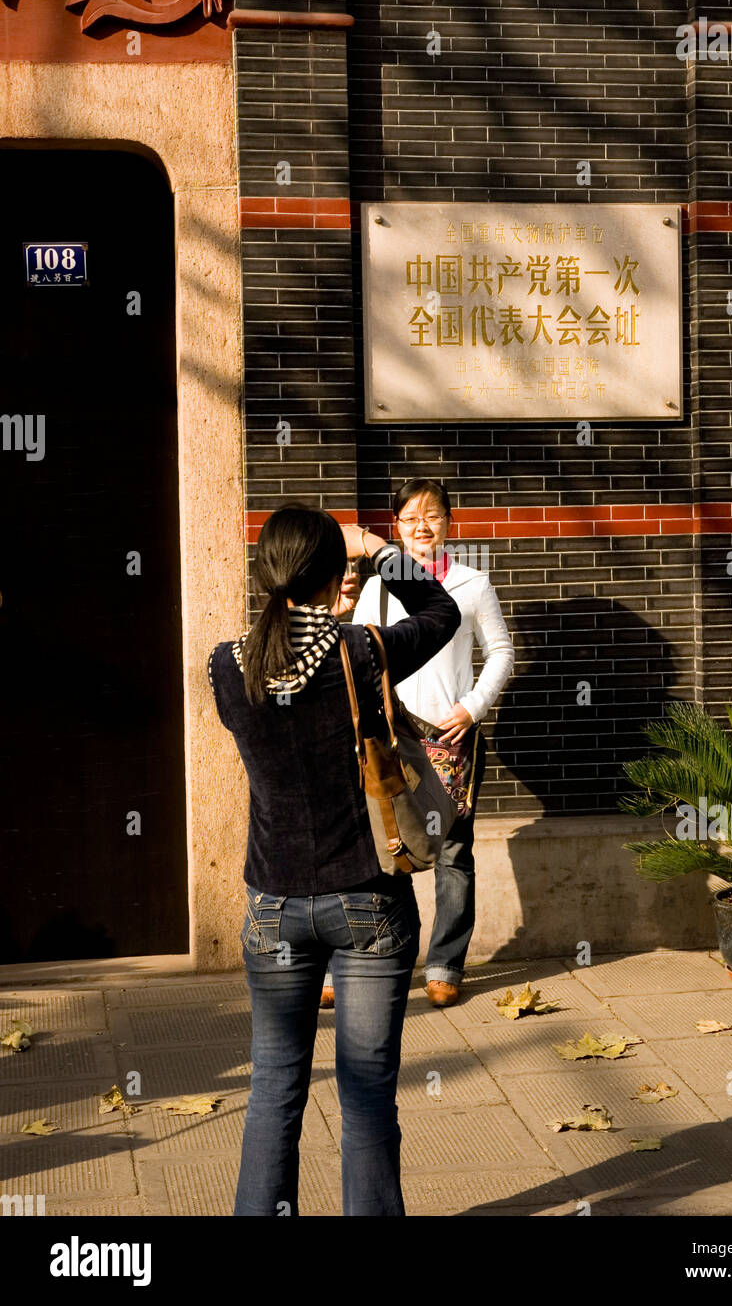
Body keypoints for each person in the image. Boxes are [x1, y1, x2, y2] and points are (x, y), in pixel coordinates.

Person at [208, 503, 460, 1216]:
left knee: (274, 1087)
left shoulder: (227, 666)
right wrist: (379, 548)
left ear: (268, 573)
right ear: (329, 576)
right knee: (368, 1090)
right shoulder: (362, 651)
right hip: (367, 897)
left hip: (272, 903)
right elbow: (441, 610)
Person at [322, 478, 514, 1011]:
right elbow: (356, 659)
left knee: (454, 851)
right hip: (391, 740)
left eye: (431, 515)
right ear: (395, 528)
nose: (421, 526)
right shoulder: (379, 586)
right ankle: (378, 957)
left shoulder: (473, 584)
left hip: (450, 737)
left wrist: (471, 707)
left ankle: (445, 965)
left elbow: (501, 653)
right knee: (389, 851)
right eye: (409, 518)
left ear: (450, 523)